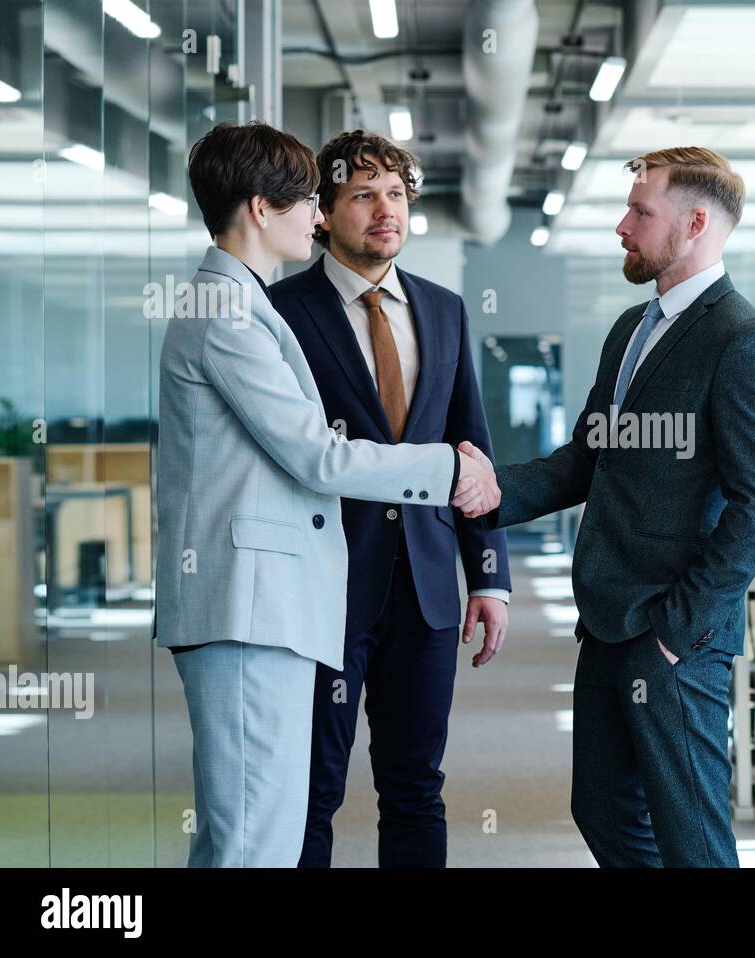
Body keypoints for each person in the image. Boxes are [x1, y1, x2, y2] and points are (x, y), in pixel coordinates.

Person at [155, 121, 499, 867]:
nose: (314, 216)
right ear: (259, 208)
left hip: (288, 603)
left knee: (253, 832)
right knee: (259, 835)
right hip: (255, 605)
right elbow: (318, 455)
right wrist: (447, 470)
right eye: (312, 201)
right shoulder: (234, 311)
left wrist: (486, 563)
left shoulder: (242, 302)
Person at [459, 146, 755, 867]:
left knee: (693, 838)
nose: (622, 225)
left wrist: (676, 631)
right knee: (604, 811)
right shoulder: (629, 332)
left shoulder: (744, 342)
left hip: (672, 638)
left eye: (641, 211)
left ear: (696, 221)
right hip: (605, 621)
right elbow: (586, 459)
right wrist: (491, 491)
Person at [270, 130, 510, 868]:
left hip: (428, 588)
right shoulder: (281, 310)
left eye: (397, 195)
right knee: (312, 789)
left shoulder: (443, 310)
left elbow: (472, 447)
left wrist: (490, 576)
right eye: (363, 195)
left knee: (416, 786)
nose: (386, 210)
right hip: (324, 586)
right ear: (322, 213)